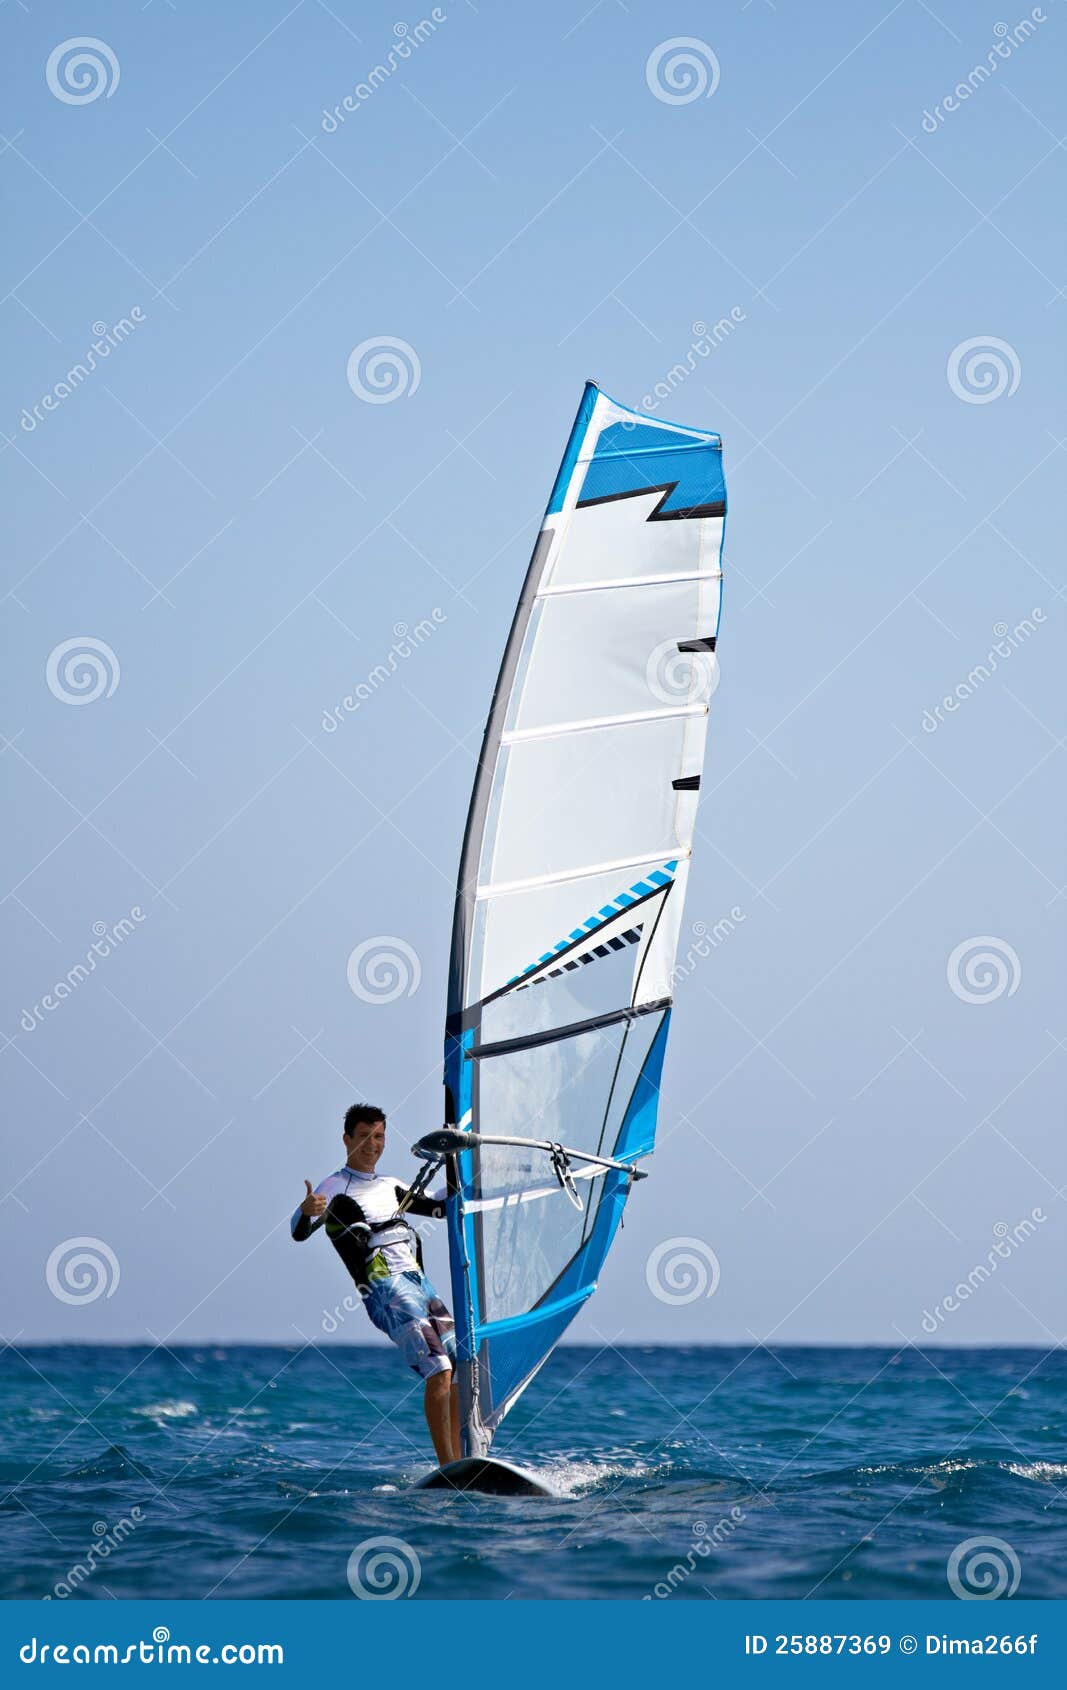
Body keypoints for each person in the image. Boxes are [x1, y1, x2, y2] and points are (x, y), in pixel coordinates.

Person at [291, 1104, 460, 1465]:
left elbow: (439, 1210)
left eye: (379, 1136)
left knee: (463, 1365)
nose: (372, 1144)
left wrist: (460, 1164)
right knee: (439, 1368)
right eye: (364, 1136)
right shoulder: (335, 1188)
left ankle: (463, 1461)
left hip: (420, 1283)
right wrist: (305, 1211)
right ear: (347, 1139)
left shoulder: (392, 1186)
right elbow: (299, 1232)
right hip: (385, 1289)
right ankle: (448, 1467)